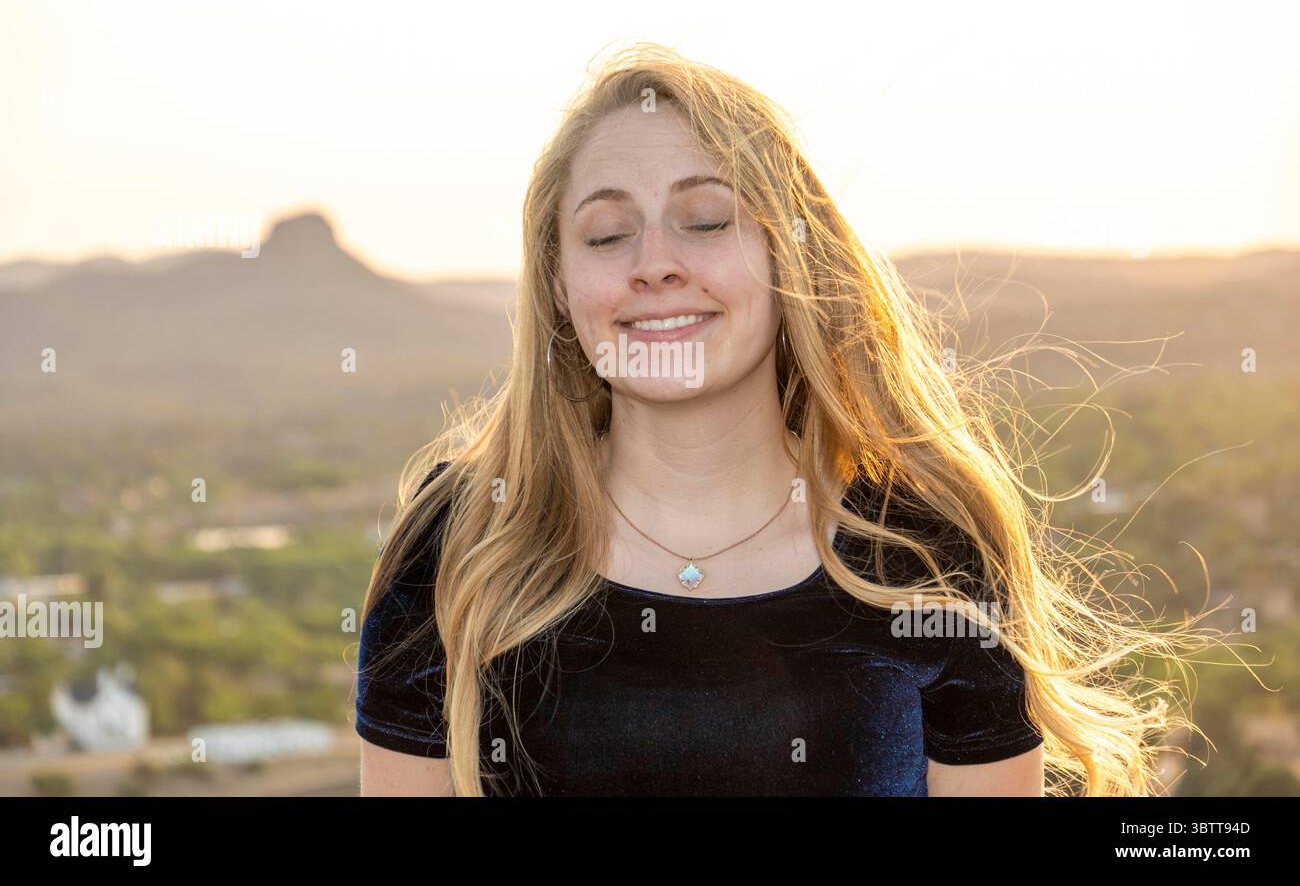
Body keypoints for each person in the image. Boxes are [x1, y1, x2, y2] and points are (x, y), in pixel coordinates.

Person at [354, 43, 1218, 797]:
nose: (656, 263)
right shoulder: (466, 539)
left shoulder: (924, 554)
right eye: (609, 234)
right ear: (557, 285)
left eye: (706, 219)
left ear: (788, 252)